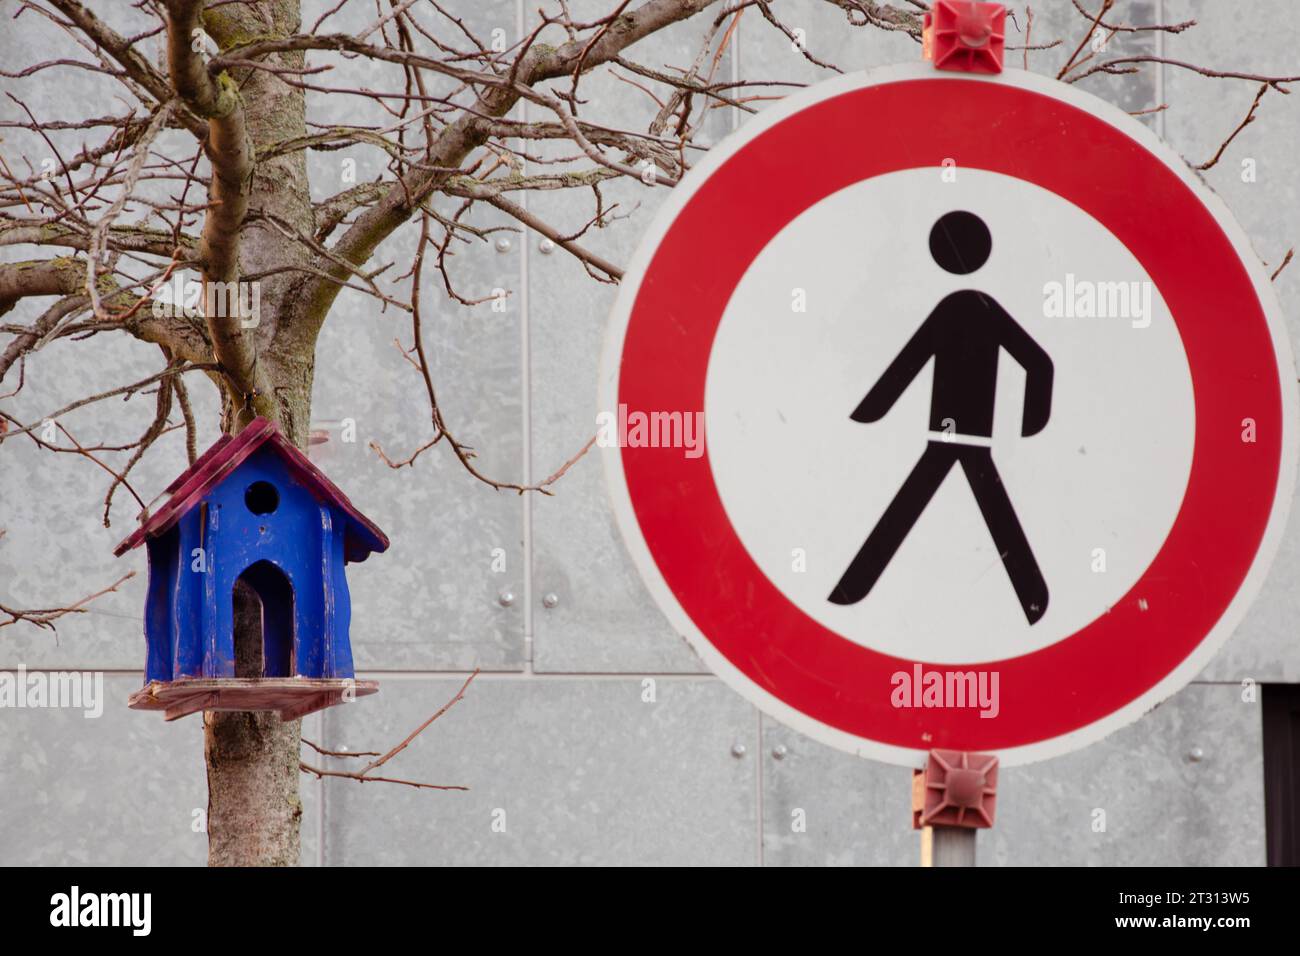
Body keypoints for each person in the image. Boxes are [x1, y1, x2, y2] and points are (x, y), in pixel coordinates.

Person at [828, 211, 1053, 625]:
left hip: (949, 433)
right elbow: (1039, 365)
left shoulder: (961, 307)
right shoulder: (980, 308)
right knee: (977, 506)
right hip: (967, 436)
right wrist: (1031, 420)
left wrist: (871, 411)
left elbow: (909, 363)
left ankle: (852, 586)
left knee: (919, 505)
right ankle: (1034, 599)